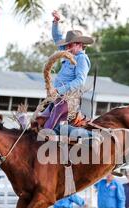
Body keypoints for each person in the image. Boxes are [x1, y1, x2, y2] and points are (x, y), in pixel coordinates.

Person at [34, 10, 95, 141]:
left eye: (70, 44)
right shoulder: (68, 52)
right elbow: (57, 38)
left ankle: (92, 137)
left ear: (79, 45)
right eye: (66, 44)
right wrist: (56, 22)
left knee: (49, 128)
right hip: (57, 98)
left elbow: (80, 81)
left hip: (69, 99)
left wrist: (59, 90)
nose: (66, 46)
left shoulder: (81, 59)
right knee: (38, 120)